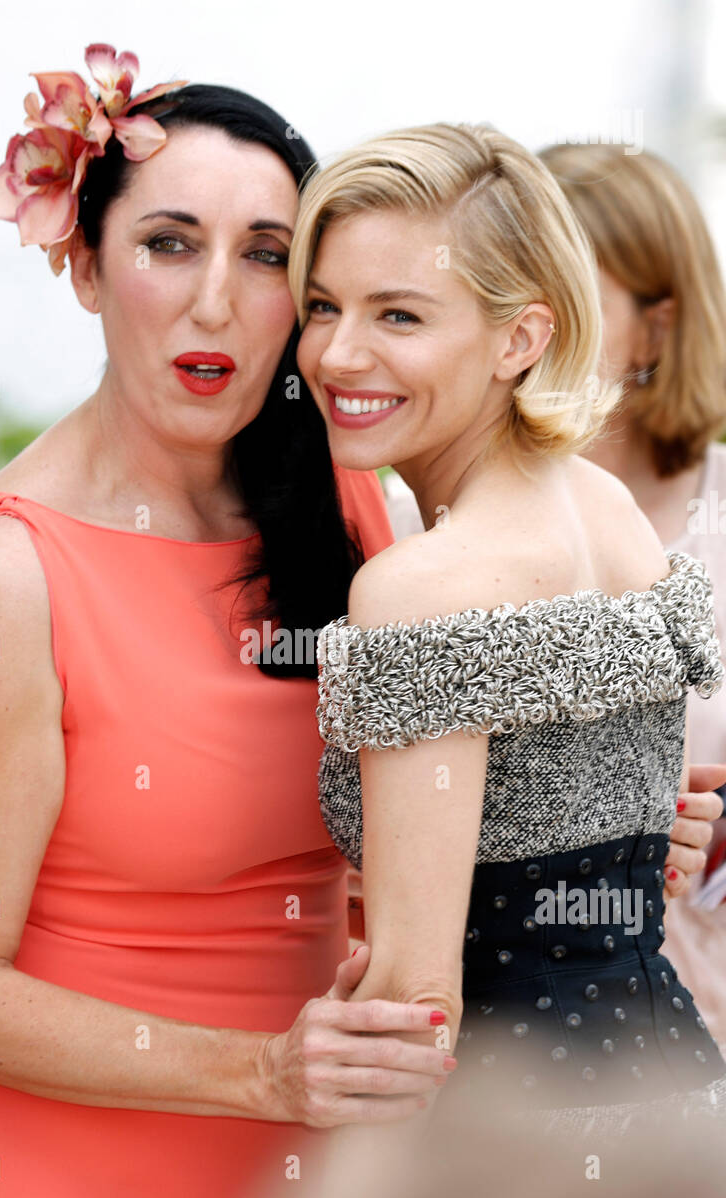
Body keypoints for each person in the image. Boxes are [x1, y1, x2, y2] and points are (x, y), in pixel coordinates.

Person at [0, 54, 450, 1198]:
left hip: (300, 1193)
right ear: (83, 267)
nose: (217, 305)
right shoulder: (14, 572)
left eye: (263, 257)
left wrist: (602, 830)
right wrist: (265, 1074)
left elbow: (404, 822)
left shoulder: (344, 512)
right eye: (171, 245)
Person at [288, 120, 726, 1131]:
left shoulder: (420, 586)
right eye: (323, 305)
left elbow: (414, 1005)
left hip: (513, 1155)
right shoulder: (608, 509)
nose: (339, 351)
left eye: (398, 314)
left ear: (521, 338)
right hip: (679, 1113)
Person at [537, 142, 726, 1049]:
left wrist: (711, 845)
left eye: (570, 293)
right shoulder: (423, 520)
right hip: (500, 1067)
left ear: (659, 327)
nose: (529, 326)